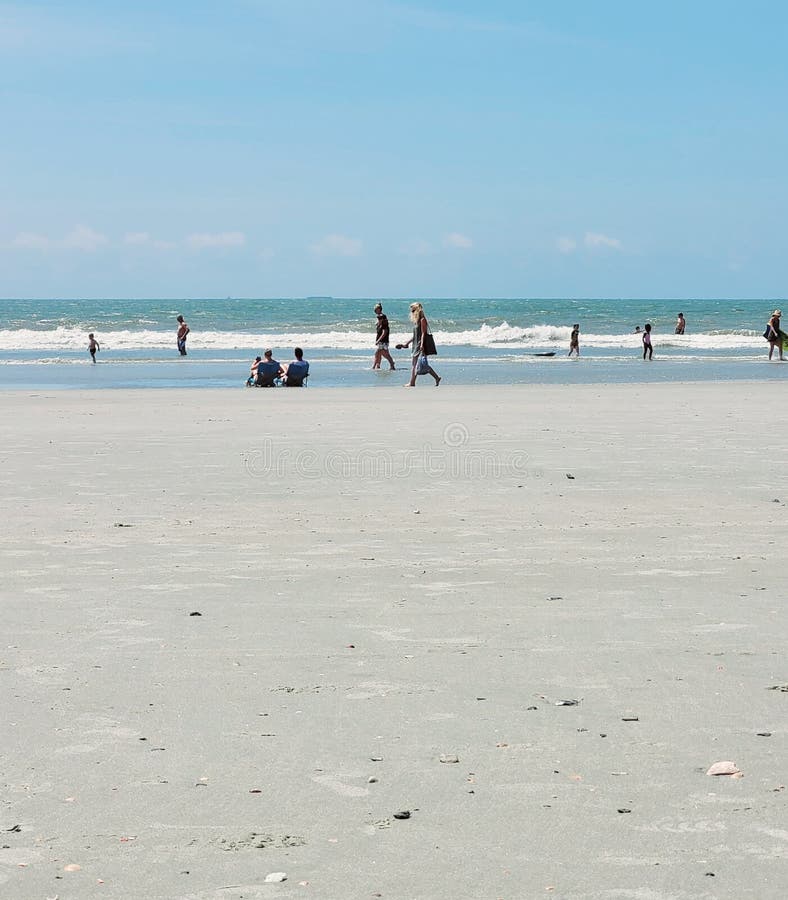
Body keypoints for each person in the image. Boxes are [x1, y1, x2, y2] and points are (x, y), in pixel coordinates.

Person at [399, 302, 440, 387]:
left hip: (420, 344)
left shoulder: (422, 320)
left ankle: (412, 382)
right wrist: (406, 343)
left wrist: (421, 345)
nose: (412, 312)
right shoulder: (416, 321)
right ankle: (436, 377)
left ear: (417, 310)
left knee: (415, 364)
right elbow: (415, 335)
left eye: (413, 310)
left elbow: (423, 333)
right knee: (420, 364)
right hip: (415, 344)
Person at [372, 303, 396, 370]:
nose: (375, 311)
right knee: (380, 353)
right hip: (383, 340)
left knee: (381, 353)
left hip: (383, 340)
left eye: (376, 309)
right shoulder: (381, 321)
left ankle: (391, 364)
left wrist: (378, 340)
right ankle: (377, 366)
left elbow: (384, 332)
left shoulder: (383, 322)